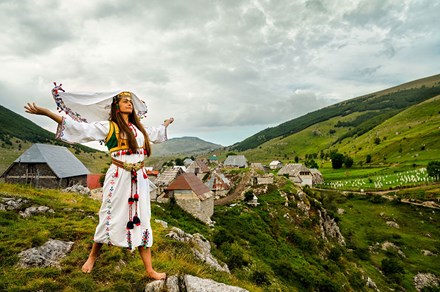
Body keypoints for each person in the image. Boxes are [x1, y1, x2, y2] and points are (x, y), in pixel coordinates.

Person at [24, 84, 173, 280]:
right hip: (119, 177)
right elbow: (79, 128)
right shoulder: (108, 126)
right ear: (116, 106)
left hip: (140, 180)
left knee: (143, 218)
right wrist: (47, 113)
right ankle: (93, 255)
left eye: (130, 102)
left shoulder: (138, 129)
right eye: (125, 101)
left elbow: (156, 133)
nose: (129, 104)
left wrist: (165, 125)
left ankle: (149, 269)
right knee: (109, 215)